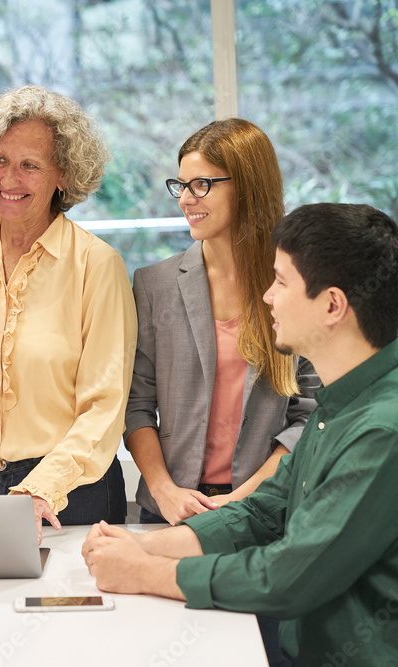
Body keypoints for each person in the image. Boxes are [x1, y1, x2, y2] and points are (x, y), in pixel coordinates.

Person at [82, 203, 398, 666]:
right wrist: (140, 544)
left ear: (332, 305)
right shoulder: (341, 404)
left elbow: (290, 576)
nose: (267, 297)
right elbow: (264, 512)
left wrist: (146, 573)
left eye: (281, 282)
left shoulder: (381, 430)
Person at [0, 85, 137, 542]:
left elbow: (105, 404)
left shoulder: (97, 265)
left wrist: (41, 489)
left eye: (30, 165)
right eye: (0, 160)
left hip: (73, 493)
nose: (10, 179)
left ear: (62, 175)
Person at [125, 118, 318, 527]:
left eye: (202, 185)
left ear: (247, 186)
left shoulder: (295, 285)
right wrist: (165, 491)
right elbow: (137, 406)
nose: (185, 199)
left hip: (266, 509)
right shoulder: (153, 284)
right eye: (181, 185)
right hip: (168, 511)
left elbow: (310, 415)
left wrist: (243, 500)